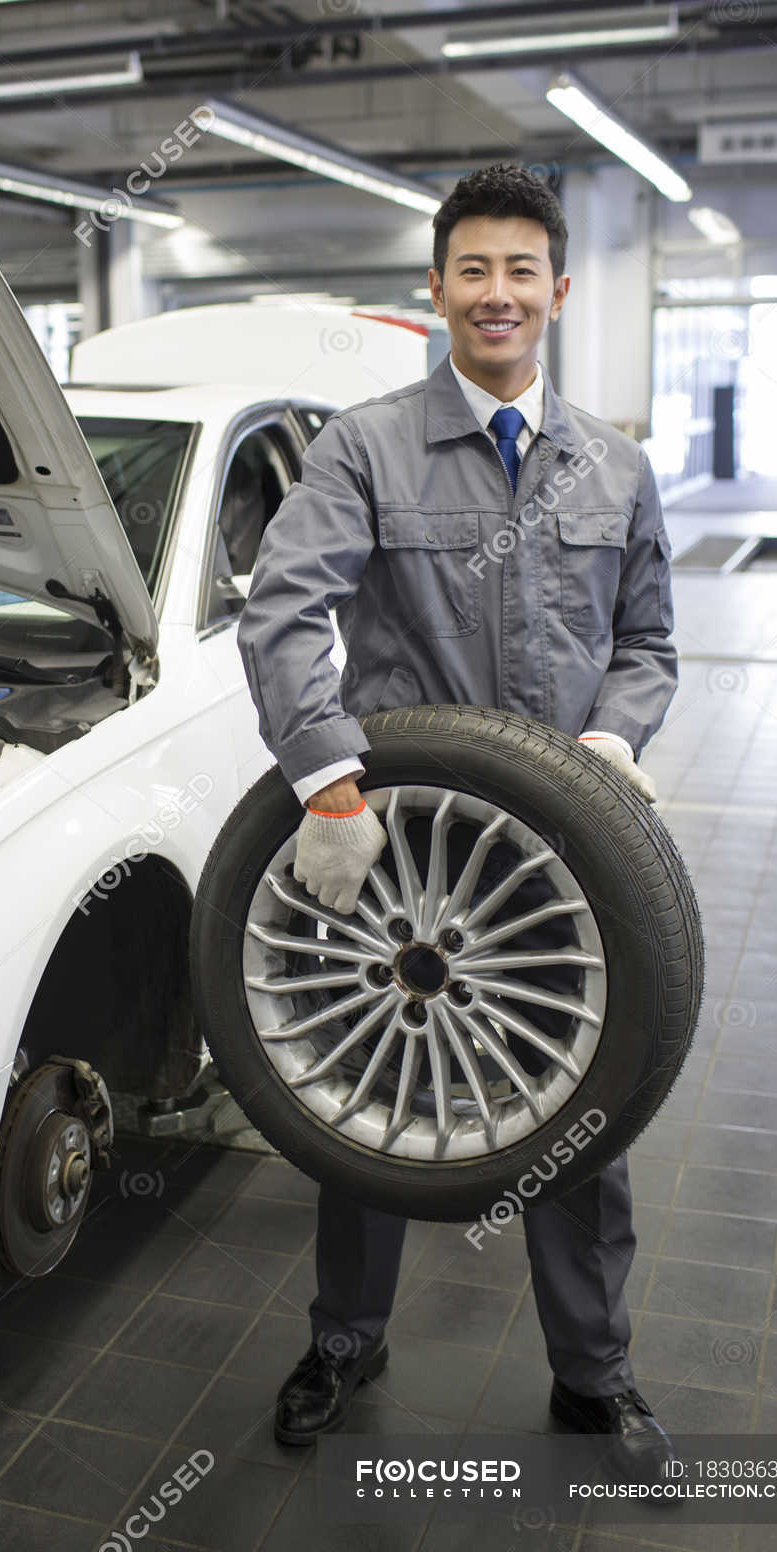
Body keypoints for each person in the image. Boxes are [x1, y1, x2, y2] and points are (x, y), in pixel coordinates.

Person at [236, 161, 679, 1484]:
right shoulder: (365, 446)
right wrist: (324, 780)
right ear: (438, 287)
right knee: (369, 1108)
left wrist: (610, 744)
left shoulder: (616, 464)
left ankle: (593, 1373)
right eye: (473, 269)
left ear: (556, 289)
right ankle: (346, 1338)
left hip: (562, 859)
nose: (498, 294)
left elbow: (649, 644)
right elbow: (280, 611)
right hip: (401, 850)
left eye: (521, 270)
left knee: (580, 1110)